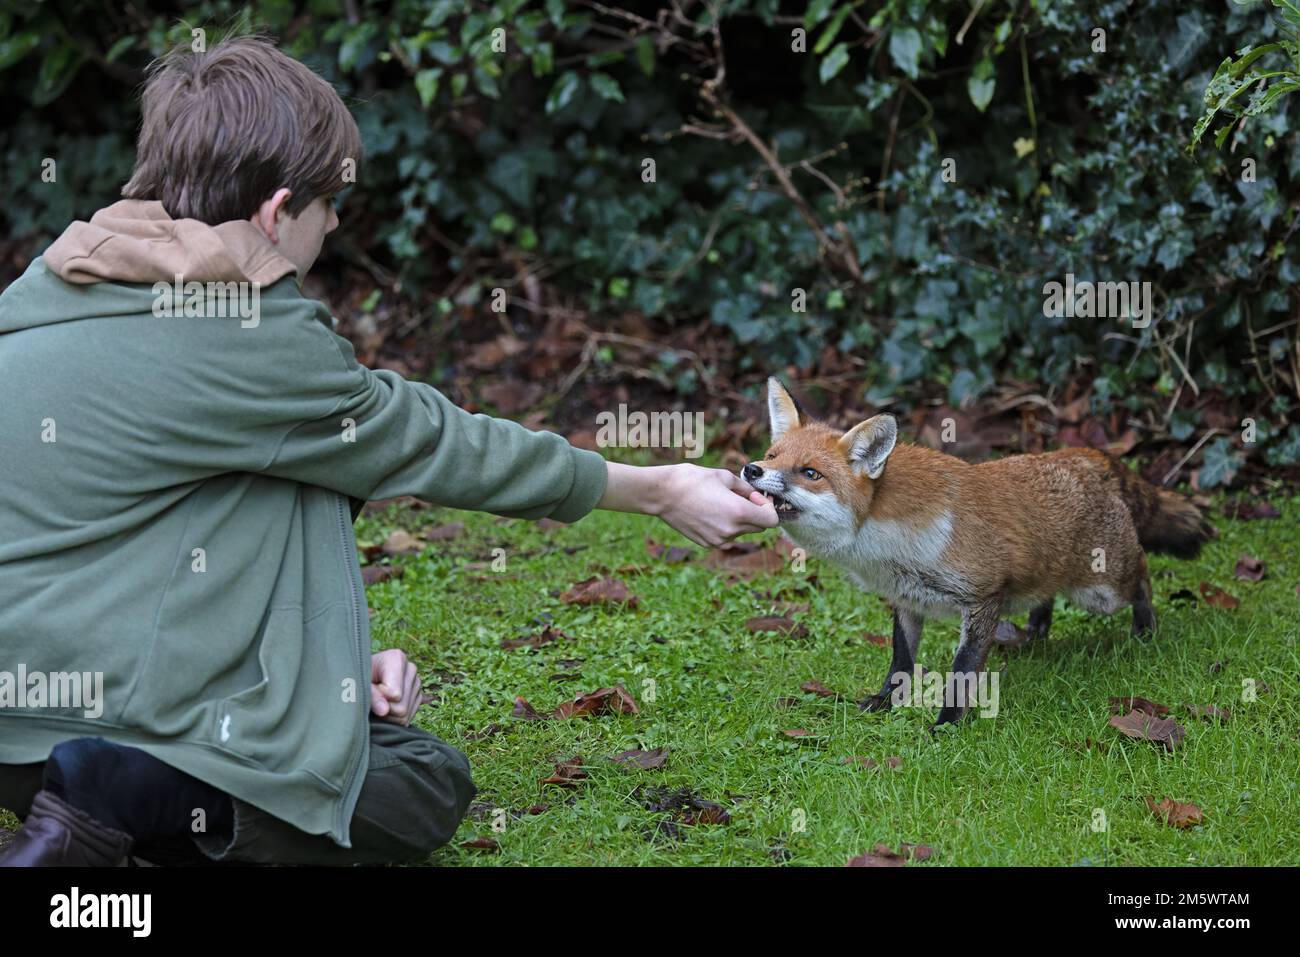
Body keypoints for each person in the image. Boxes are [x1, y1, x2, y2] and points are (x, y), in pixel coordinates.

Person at [0, 34, 777, 866]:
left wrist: (326, 664)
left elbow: (128, 542)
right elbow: (433, 442)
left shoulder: (40, 297)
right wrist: (660, 489)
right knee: (422, 779)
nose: (335, 222)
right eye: (331, 203)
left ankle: (101, 809)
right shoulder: (246, 333)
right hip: (122, 727)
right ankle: (125, 793)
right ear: (275, 211)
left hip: (15, 735)